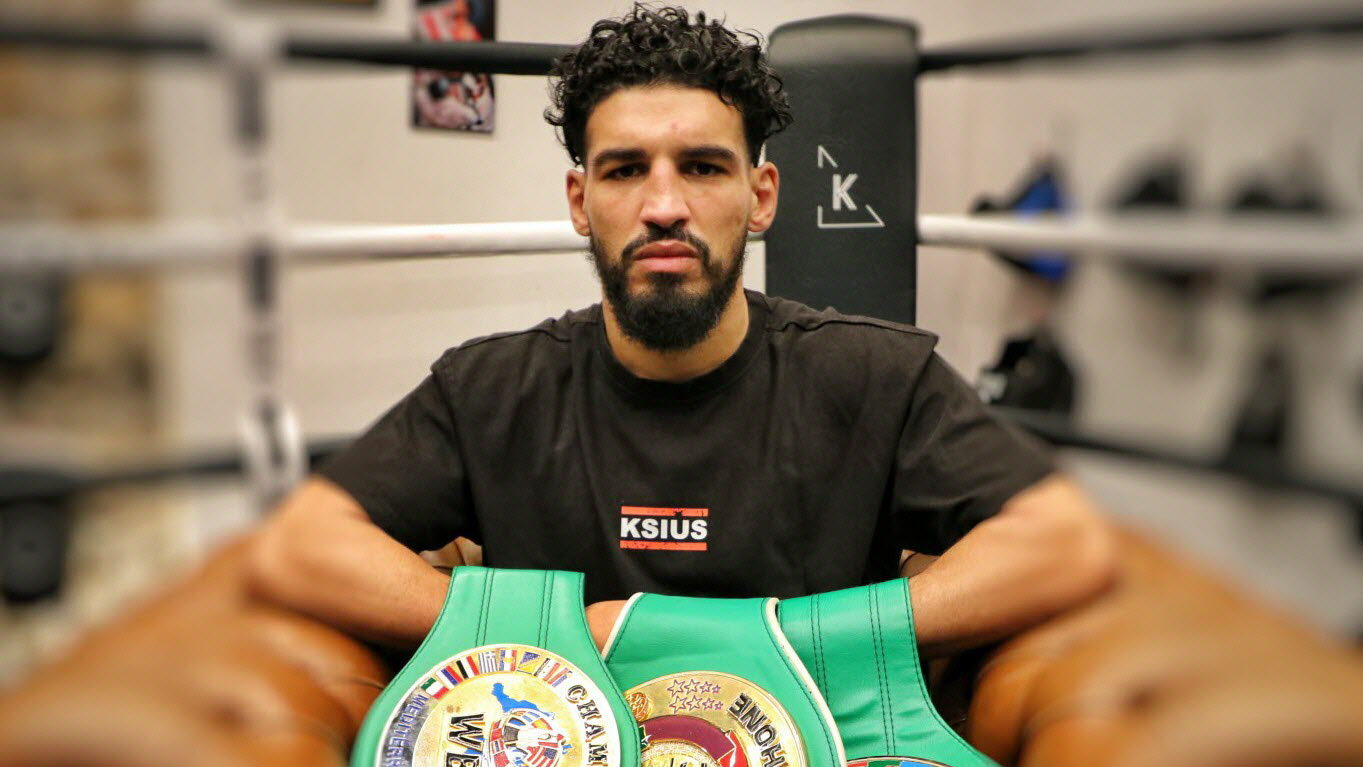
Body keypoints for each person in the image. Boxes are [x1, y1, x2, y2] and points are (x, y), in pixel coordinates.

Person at [248, 5, 1116, 658]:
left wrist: (788, 636)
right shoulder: (491, 390)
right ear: (582, 203)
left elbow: (1063, 537)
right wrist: (553, 629)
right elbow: (302, 542)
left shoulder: (874, 375)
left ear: (761, 197)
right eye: (626, 170)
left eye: (702, 167)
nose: (664, 206)